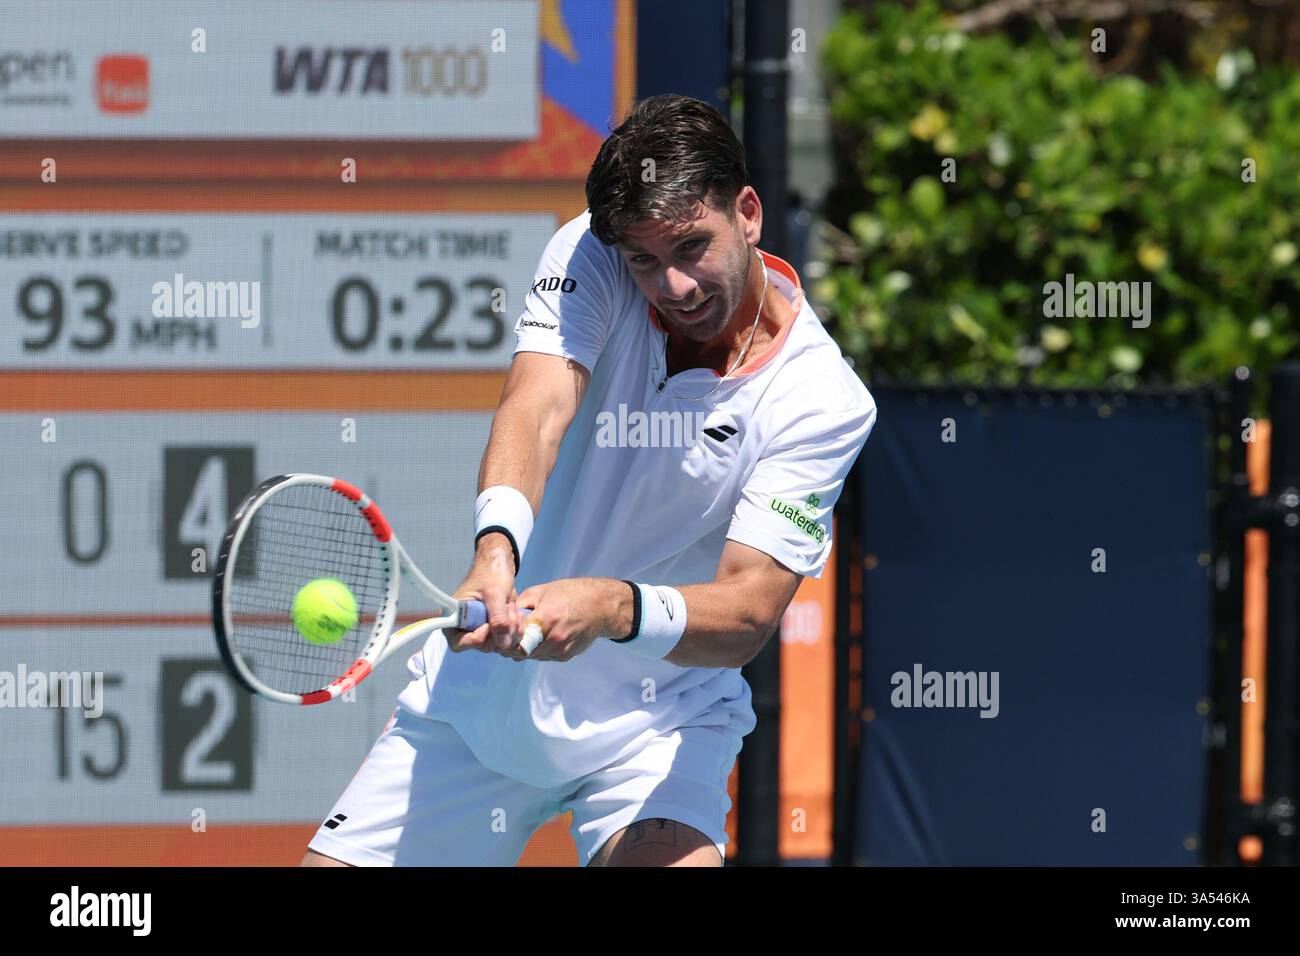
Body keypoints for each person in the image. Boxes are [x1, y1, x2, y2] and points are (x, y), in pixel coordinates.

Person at [301, 94, 876, 867]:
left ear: (748, 212)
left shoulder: (823, 402)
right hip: (477, 714)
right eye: (645, 259)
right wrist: (497, 545)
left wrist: (612, 607)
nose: (672, 285)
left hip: (657, 725)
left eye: (690, 247)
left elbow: (747, 610)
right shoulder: (590, 255)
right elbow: (537, 407)